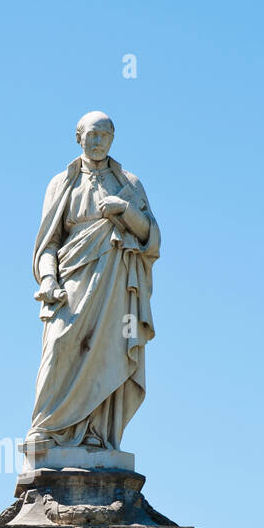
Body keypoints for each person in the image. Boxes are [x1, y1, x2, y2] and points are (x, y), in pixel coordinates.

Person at [26, 111, 160, 457]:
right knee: (58, 347)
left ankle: (95, 435)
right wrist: (50, 278)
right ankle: (47, 429)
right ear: (78, 137)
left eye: (105, 135)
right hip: (71, 280)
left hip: (114, 283)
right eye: (92, 135)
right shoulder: (61, 183)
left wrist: (124, 210)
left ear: (113, 139)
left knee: (106, 355)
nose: (98, 141)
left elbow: (151, 238)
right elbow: (48, 244)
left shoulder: (128, 183)